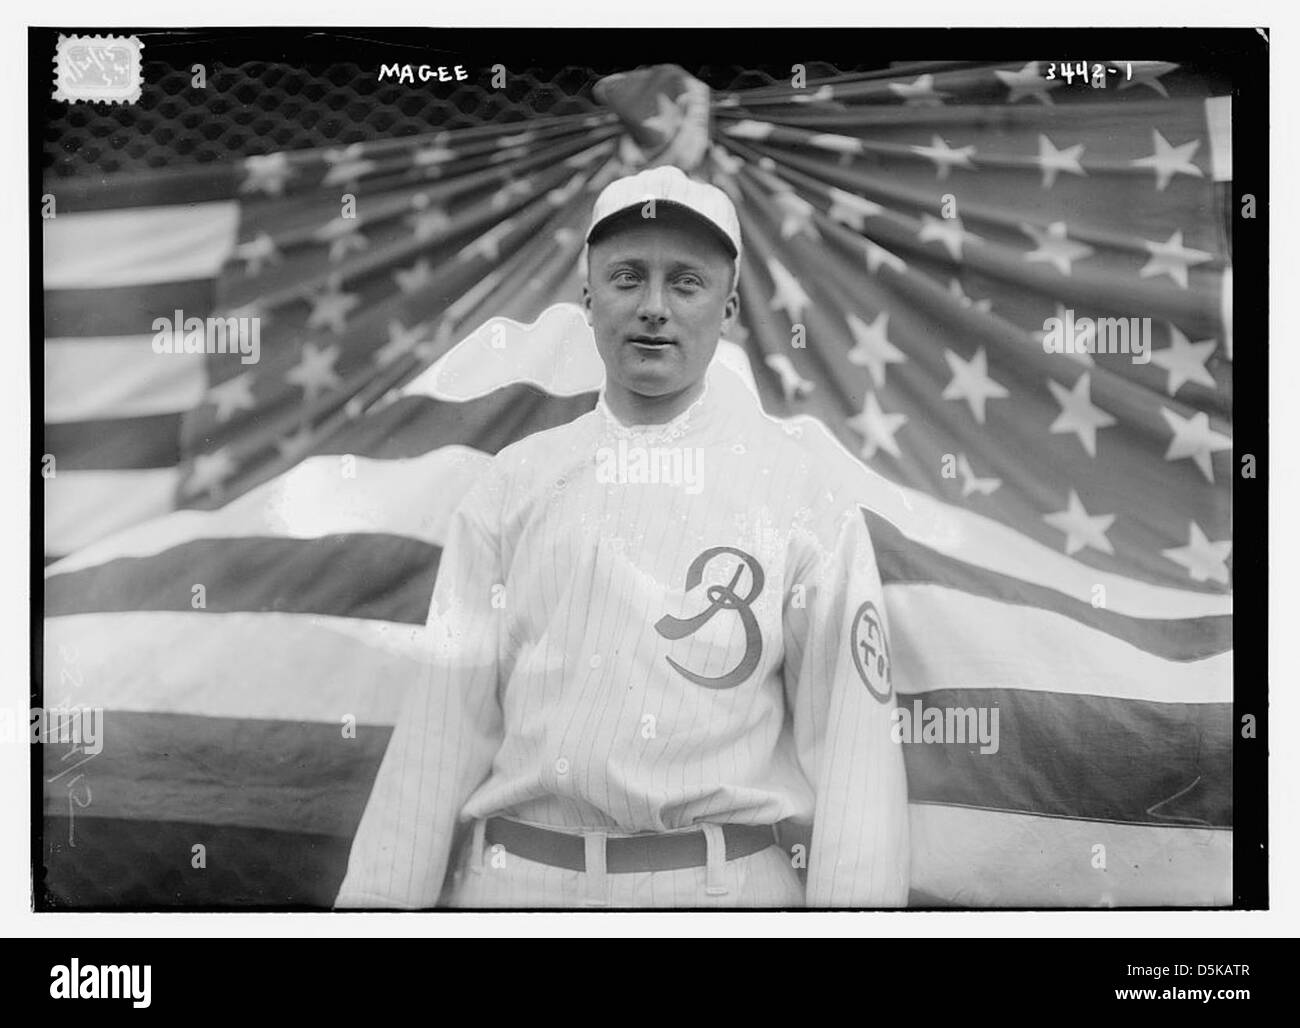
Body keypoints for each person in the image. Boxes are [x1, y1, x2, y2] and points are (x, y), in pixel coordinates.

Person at [335, 164, 908, 908]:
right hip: (517, 883)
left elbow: (856, 757)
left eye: (687, 282)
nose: (653, 308)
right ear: (588, 298)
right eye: (628, 277)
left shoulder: (804, 496)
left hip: (719, 887)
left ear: (728, 306)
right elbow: (439, 733)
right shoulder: (513, 483)